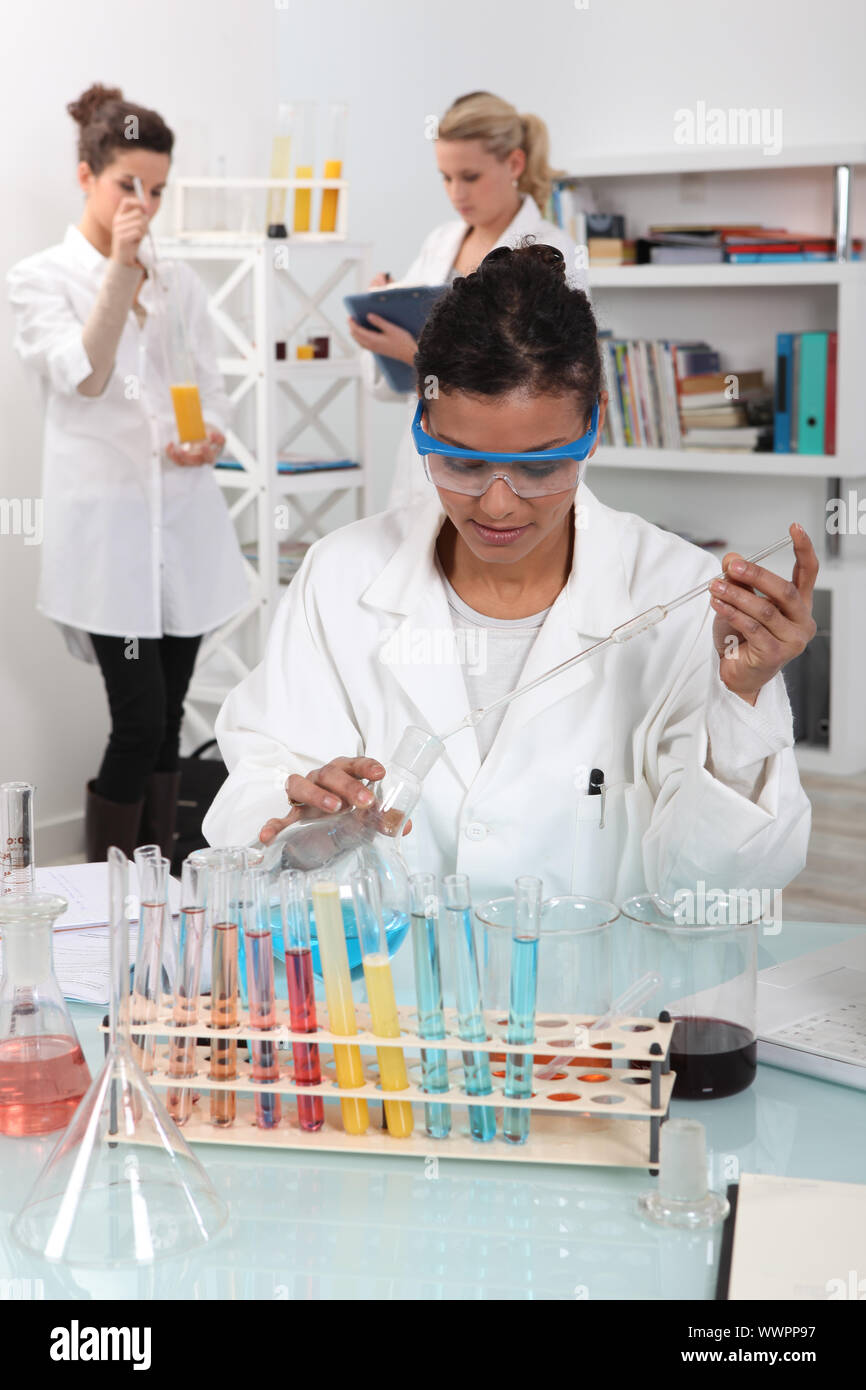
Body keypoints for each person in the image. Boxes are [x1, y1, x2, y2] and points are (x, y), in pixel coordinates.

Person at [204, 244, 815, 992]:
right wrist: (297, 813)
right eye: (460, 462)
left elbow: (713, 894)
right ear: (421, 419)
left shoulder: (684, 598)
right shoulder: (342, 577)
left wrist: (742, 706)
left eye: (538, 467)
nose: (497, 503)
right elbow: (261, 784)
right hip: (392, 1036)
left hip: (597, 1042)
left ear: (592, 428)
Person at [7, 83, 248, 862]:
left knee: (170, 719)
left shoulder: (179, 281)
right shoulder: (39, 279)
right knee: (136, 721)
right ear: (87, 176)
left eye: (157, 190)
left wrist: (209, 436)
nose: (144, 203)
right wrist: (119, 266)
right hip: (108, 538)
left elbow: (211, 390)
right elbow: (85, 375)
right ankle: (102, 894)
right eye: (128, 186)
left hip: (183, 531)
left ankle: (164, 882)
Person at [348, 91, 588, 508]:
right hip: (427, 464)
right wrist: (379, 324)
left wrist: (418, 354)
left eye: (470, 177)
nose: (456, 192)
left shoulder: (555, 253)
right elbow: (389, 388)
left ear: (514, 163)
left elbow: (544, 381)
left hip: (504, 470)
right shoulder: (439, 242)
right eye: (446, 177)